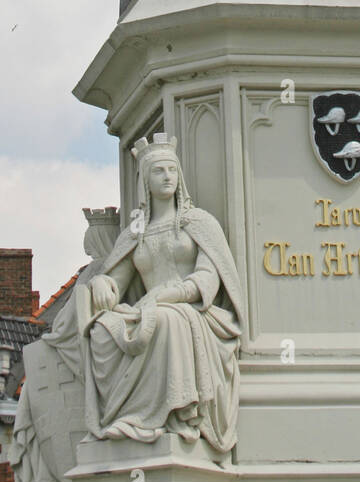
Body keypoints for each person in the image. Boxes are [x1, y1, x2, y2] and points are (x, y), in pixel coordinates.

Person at [78, 135, 242, 451]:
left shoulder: (198, 222)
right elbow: (117, 282)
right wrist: (102, 283)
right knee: (101, 330)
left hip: (192, 309)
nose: (167, 177)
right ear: (146, 181)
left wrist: (164, 297)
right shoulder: (136, 233)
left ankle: (175, 416)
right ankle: (126, 419)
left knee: (167, 320)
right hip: (145, 308)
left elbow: (207, 281)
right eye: (159, 171)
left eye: (172, 170)